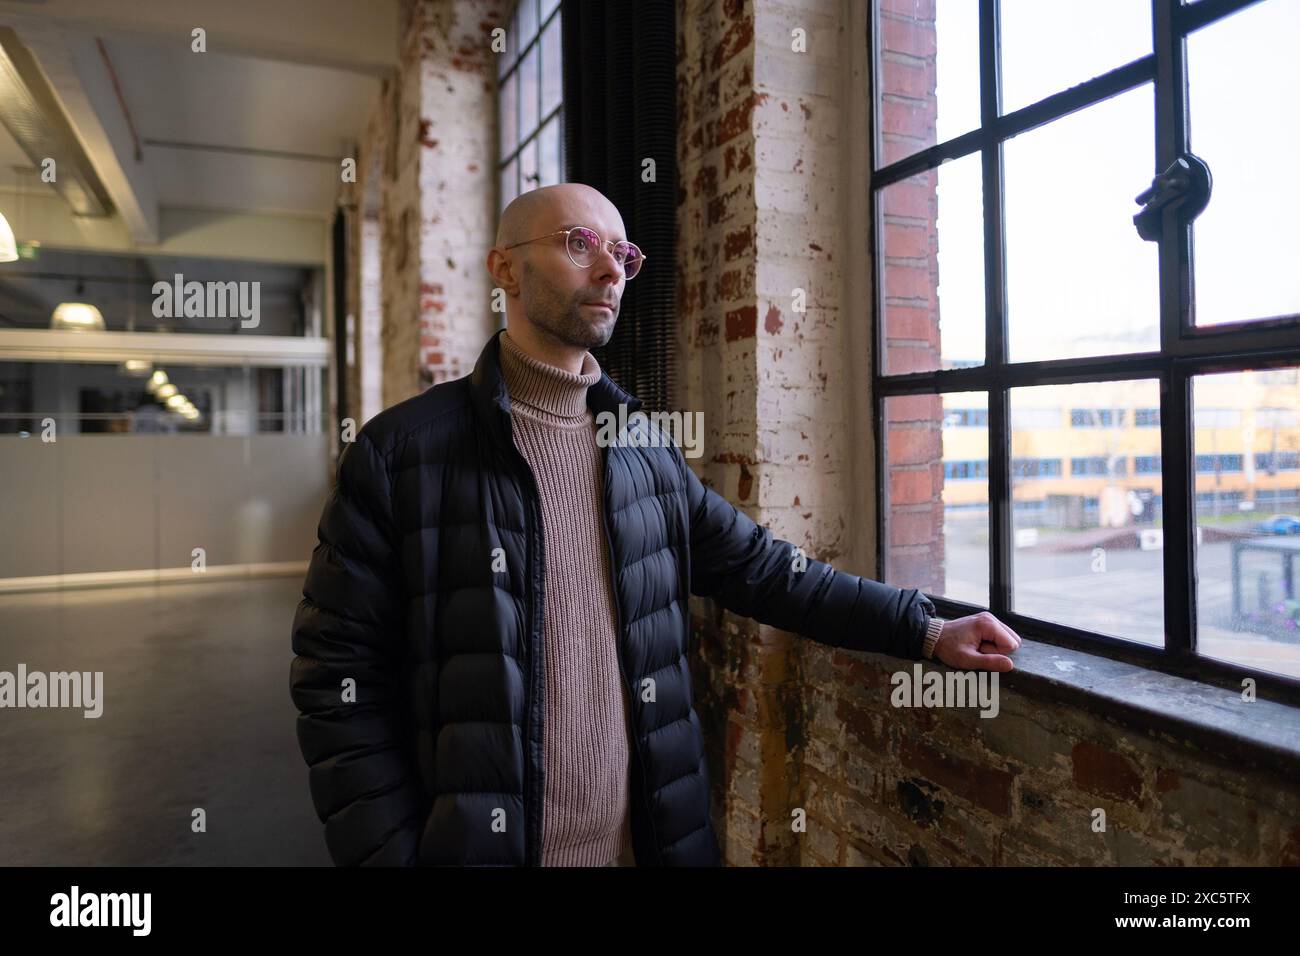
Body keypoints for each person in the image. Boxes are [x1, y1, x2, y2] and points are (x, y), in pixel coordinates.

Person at [288, 183, 1021, 868]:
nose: (611, 270)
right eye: (581, 243)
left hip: (644, 845)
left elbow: (764, 570)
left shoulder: (639, 447)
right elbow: (336, 675)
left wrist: (924, 629)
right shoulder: (403, 452)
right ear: (503, 269)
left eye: (623, 253)